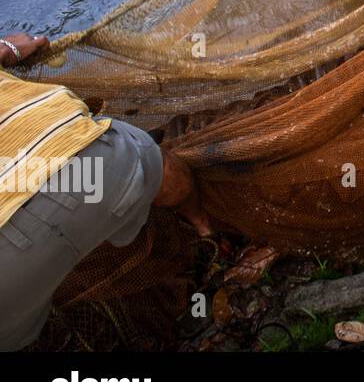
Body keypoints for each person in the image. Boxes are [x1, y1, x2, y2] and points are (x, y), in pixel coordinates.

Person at [0, 32, 208, 351]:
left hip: (9, 279)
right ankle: (205, 230)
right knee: (155, 165)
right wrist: (12, 47)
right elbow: (11, 48)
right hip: (89, 166)